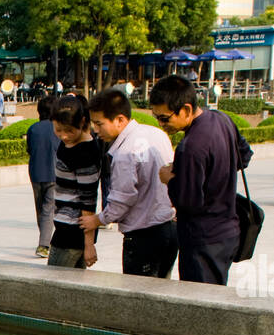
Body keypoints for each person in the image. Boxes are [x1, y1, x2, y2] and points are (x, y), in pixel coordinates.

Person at [150, 74, 252, 285]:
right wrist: (215, 174)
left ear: (186, 109)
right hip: (228, 231)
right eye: (157, 117)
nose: (161, 124)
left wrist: (169, 178)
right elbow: (245, 156)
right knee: (215, 293)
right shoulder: (222, 119)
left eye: (165, 118)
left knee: (201, 306)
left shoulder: (190, 147)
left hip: (203, 238)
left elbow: (188, 202)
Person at [79, 88, 177, 279]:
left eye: (99, 124)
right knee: (162, 297)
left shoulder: (125, 153)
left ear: (120, 120)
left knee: (139, 301)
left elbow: (122, 200)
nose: (96, 131)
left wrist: (98, 219)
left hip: (144, 238)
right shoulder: (157, 134)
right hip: (168, 231)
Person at [48, 93, 102, 270]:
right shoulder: (71, 143)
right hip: (65, 228)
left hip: (72, 235)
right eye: (58, 130)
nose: (63, 136)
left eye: (70, 130)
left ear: (83, 122)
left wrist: (89, 244)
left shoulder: (85, 151)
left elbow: (88, 202)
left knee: (53, 289)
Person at [26, 95, 59, 259]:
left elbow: (30, 150)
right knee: (48, 210)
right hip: (53, 173)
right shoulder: (58, 128)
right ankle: (44, 244)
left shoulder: (33, 128)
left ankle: (45, 241)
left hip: (36, 173)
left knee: (40, 209)